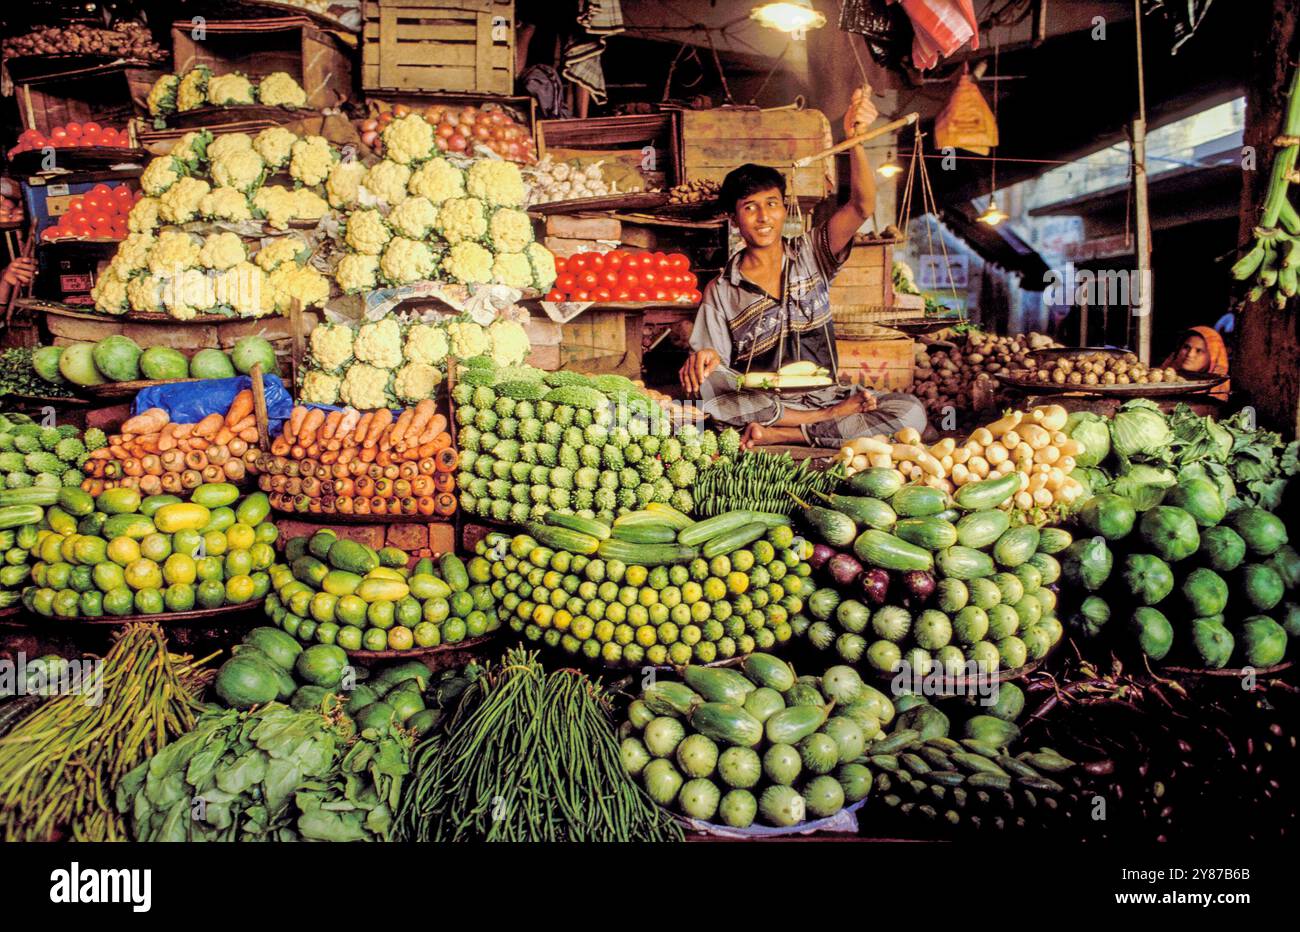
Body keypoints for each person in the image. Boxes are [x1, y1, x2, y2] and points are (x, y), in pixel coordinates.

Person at [678, 86, 928, 449]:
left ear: (783, 209)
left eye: (772, 204)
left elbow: (861, 206)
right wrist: (703, 359)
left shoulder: (811, 252)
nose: (764, 217)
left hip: (829, 392)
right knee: (710, 392)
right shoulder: (722, 290)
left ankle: (791, 434)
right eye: (750, 207)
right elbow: (713, 363)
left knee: (910, 412)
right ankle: (821, 424)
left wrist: (854, 139)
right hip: (768, 404)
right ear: (733, 219)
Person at [1162, 325, 1230, 402]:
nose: (1190, 354)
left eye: (1199, 351)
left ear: (1212, 358)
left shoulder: (1219, 390)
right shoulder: (1160, 377)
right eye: (1186, 347)